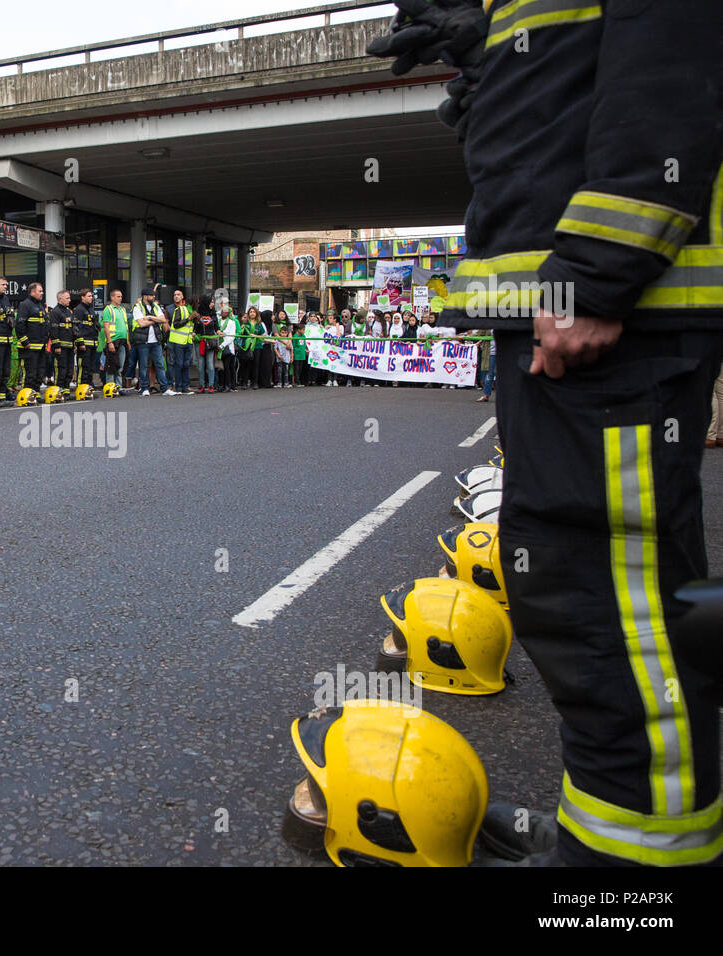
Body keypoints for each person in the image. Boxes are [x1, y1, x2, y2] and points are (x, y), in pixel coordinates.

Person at [378, 0, 723, 867]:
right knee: (588, 586)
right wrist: (494, 51)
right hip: (564, 304)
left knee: (612, 600)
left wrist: (603, 267)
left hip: (604, 309)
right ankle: (609, 832)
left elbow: (671, 52)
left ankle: (632, 881)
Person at [131, 287, 169, 395]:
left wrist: (150, 318)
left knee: (160, 364)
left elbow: (163, 320)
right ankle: (144, 388)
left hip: (156, 341)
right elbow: (141, 324)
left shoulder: (155, 306)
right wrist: (156, 321)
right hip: (143, 342)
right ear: (145, 296)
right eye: (151, 295)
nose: (154, 297)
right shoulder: (137, 307)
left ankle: (165, 389)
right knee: (143, 366)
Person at [15, 281, 49, 394]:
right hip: (29, 348)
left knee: (40, 373)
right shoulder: (25, 305)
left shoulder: (40, 305)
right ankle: (27, 394)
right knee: (30, 373)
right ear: (32, 292)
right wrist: (26, 342)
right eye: (40, 291)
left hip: (40, 346)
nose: (42, 293)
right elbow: (20, 325)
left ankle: (35, 393)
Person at [166, 288, 194, 394]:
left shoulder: (188, 309)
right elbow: (176, 325)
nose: (176, 296)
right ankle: (178, 387)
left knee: (186, 364)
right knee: (179, 364)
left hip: (187, 341)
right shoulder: (178, 310)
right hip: (177, 341)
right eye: (174, 295)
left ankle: (185, 387)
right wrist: (188, 319)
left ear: (182, 297)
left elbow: (190, 326)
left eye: (178, 295)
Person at [100, 288, 130, 387]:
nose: (120, 298)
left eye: (121, 296)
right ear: (112, 297)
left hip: (122, 341)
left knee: (120, 366)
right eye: (118, 296)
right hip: (113, 341)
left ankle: (118, 387)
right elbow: (106, 327)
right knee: (111, 366)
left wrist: (128, 342)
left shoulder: (123, 309)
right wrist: (109, 342)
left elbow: (126, 327)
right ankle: (110, 387)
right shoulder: (108, 309)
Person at [72, 288, 100, 388]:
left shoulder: (91, 309)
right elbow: (76, 327)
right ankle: (81, 386)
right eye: (89, 296)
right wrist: (80, 343)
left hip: (92, 342)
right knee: (83, 366)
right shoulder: (79, 309)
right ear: (82, 297)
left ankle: (89, 384)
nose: (91, 298)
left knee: (91, 367)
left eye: (92, 296)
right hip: (84, 343)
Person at [49, 289, 76, 391]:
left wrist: (75, 344)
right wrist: (57, 346)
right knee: (61, 369)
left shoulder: (68, 312)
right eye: (67, 298)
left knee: (69, 370)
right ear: (60, 299)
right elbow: (53, 330)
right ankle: (57, 390)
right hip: (60, 348)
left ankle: (66, 389)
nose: (69, 300)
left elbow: (72, 329)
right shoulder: (55, 312)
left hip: (69, 346)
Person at [193, 294, 219, 393]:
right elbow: (195, 327)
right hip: (200, 342)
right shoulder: (198, 314)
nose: (213, 304)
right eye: (211, 302)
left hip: (211, 342)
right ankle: (201, 386)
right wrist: (194, 333)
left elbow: (217, 327)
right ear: (206, 303)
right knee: (201, 365)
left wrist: (219, 332)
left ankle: (211, 385)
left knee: (210, 364)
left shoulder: (213, 314)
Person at [219, 303, 240, 391]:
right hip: (219, 346)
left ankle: (228, 385)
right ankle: (221, 385)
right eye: (223, 311)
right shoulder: (218, 321)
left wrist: (222, 345)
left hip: (227, 347)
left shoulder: (232, 322)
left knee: (227, 367)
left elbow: (232, 336)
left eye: (226, 311)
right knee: (220, 367)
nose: (224, 312)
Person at [292, 321, 307, 387]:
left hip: (302, 355)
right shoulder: (295, 336)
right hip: (296, 355)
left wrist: (305, 350)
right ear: (298, 330)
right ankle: (296, 381)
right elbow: (293, 345)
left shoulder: (303, 336)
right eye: (303, 330)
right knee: (296, 368)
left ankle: (299, 381)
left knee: (300, 368)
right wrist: (293, 353)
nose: (304, 331)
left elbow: (304, 344)